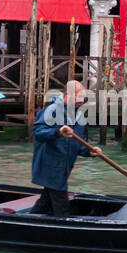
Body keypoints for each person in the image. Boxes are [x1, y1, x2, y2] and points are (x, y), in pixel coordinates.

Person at [30, 80, 99, 217]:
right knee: (61, 205)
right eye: (79, 97)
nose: (82, 101)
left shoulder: (79, 117)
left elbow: (78, 143)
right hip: (50, 164)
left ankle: (28, 221)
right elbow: (37, 132)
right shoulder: (52, 111)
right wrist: (57, 132)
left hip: (63, 167)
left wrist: (89, 151)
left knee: (46, 201)